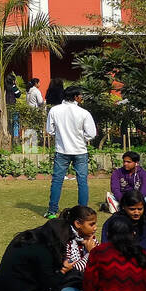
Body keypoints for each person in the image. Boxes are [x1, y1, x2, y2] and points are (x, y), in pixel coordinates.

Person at [45, 86, 97, 219]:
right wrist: (81, 138)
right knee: (82, 181)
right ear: (75, 97)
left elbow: (50, 130)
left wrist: (61, 135)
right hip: (80, 150)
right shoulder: (83, 113)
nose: (82, 97)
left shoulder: (55, 110)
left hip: (62, 150)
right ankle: (83, 212)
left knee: (57, 181)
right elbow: (91, 133)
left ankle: (52, 211)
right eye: (80, 95)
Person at [117, 188, 146, 274]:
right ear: (124, 207)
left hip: (145, 271)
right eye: (132, 209)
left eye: (139, 209)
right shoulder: (114, 224)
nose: (136, 213)